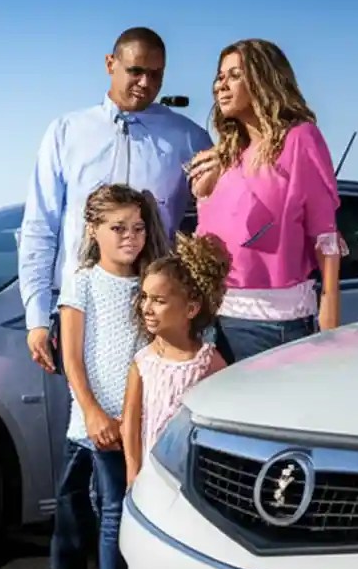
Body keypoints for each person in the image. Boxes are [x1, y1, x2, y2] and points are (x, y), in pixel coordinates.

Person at [20, 27, 213, 375]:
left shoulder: (189, 138)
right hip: (81, 311)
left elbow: (213, 222)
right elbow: (40, 226)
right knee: (90, 422)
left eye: (156, 75)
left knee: (155, 421)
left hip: (158, 313)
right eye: (135, 71)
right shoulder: (66, 132)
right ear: (111, 64)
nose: (145, 83)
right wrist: (36, 316)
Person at [185, 39, 344, 363]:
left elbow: (325, 236)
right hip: (212, 322)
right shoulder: (226, 155)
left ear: (263, 80)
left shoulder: (301, 139)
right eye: (219, 76)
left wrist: (329, 324)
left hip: (273, 325)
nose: (221, 86)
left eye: (234, 75)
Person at [52, 183, 168, 569]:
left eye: (137, 228)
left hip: (131, 423)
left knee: (118, 511)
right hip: (90, 422)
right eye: (118, 228)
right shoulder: (82, 281)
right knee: (75, 512)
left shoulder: (151, 283)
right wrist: (92, 412)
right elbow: (72, 357)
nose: (130, 238)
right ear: (92, 230)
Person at [122, 233, 231, 486]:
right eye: (145, 297)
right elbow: (130, 423)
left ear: (190, 309)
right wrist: (133, 472)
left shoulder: (208, 362)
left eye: (159, 301)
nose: (146, 307)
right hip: (150, 476)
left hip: (191, 478)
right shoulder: (143, 362)